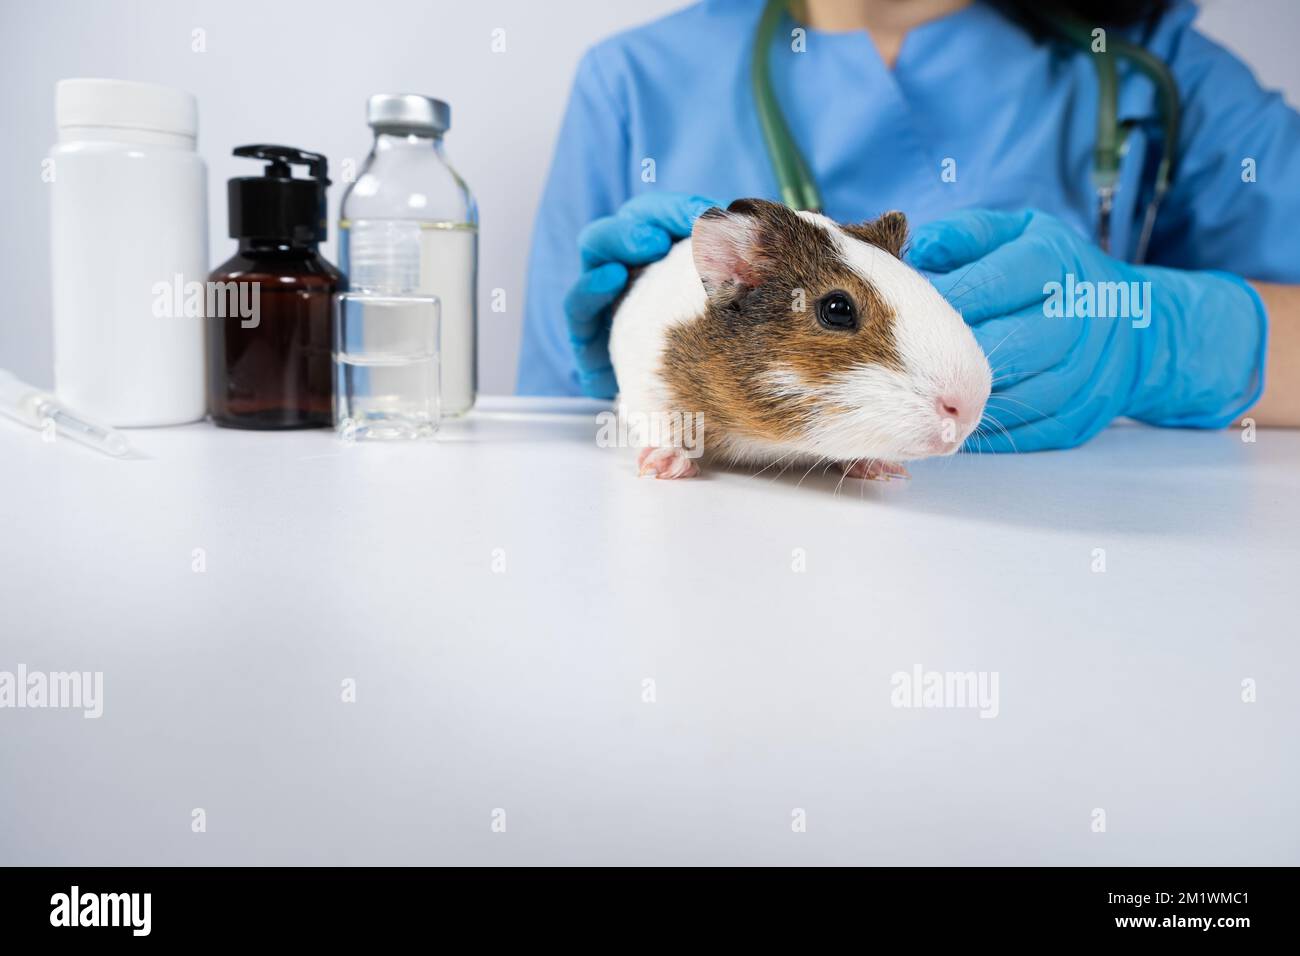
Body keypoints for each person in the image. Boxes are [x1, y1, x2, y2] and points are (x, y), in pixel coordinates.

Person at [515, 0, 1300, 451]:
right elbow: (550, 435)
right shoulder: (635, 80)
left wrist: (1157, 335)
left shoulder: (1157, 69)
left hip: (1063, 568)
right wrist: (641, 353)